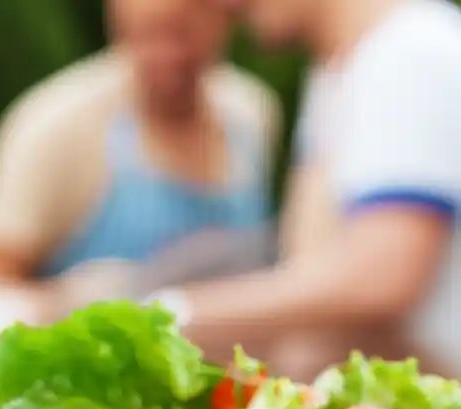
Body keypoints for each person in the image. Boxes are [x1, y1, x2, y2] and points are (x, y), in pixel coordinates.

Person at [151, 0, 461, 376]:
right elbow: (310, 283)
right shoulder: (340, 72)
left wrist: (174, 312)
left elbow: (382, 277)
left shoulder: (412, 54)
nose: (223, 5)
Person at [0, 0, 280, 289]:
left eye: (180, 33)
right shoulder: (55, 125)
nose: (165, 55)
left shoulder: (252, 112)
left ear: (224, 19)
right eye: (145, 35)